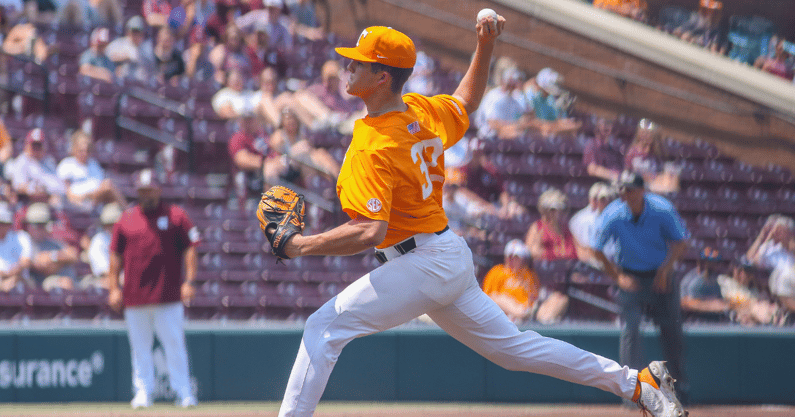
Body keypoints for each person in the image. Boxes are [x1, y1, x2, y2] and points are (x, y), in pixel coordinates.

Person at [272, 21, 685, 417]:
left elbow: (369, 230)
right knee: (515, 350)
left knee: (323, 328)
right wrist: (485, 44)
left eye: (358, 62)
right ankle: (637, 383)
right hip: (445, 252)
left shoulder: (373, 143)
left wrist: (298, 245)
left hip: (421, 262)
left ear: (382, 77)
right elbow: (467, 102)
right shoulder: (419, 109)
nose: (348, 66)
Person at [592, 171, 690, 405]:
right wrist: (618, 277)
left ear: (641, 190)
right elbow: (597, 248)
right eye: (622, 189)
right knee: (631, 332)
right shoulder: (614, 212)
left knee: (672, 333)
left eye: (630, 189)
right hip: (631, 277)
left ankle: (679, 393)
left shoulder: (661, 209)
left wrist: (665, 271)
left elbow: (681, 241)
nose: (625, 193)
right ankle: (631, 395)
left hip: (660, 276)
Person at [107, 169, 199, 409]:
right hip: (135, 297)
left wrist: (189, 281)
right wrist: (113, 288)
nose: (146, 194)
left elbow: (191, 247)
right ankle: (143, 392)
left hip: (168, 296)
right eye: (142, 190)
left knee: (174, 345)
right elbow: (115, 256)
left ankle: (184, 392)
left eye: (150, 189)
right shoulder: (126, 219)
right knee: (140, 349)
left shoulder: (176, 216)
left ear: (158, 190)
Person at [266, 107, 340, 186]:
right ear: (282, 122)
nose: (290, 121)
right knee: (306, 161)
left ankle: (338, 181)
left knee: (320, 154)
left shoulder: (301, 132)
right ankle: (317, 189)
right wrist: (296, 150)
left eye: (292, 118)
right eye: (287, 119)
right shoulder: (279, 136)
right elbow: (276, 155)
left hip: (304, 161)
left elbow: (310, 148)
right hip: (287, 165)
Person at [56, 130, 127, 211]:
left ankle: (126, 215)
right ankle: (129, 213)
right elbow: (66, 192)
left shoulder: (93, 164)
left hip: (95, 200)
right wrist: (82, 198)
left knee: (111, 196)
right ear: (74, 149)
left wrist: (91, 196)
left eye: (87, 150)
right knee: (108, 185)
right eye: (81, 150)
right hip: (76, 201)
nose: (85, 153)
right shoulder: (66, 164)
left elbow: (99, 185)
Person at [745, 214, 795, 315]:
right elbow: (750, 260)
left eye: (780, 230)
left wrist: (788, 241)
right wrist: (764, 237)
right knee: (781, 280)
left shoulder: (792, 245)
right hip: (782, 285)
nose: (777, 233)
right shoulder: (772, 250)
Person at [482, 239, 540, 323]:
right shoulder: (497, 271)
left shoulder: (529, 275)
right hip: (498, 314)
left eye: (516, 257)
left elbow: (532, 300)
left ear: (523, 259)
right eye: (509, 256)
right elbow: (488, 297)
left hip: (522, 315)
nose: (511, 260)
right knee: (498, 298)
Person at [25, 203, 79, 292]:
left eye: (43, 224)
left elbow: (73, 255)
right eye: (36, 224)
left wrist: (52, 257)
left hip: (68, 282)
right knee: (65, 283)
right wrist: (63, 260)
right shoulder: (26, 243)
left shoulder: (53, 243)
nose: (40, 228)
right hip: (42, 287)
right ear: (28, 226)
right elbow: (46, 269)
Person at [717, 258, 786, 326]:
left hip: (752, 320)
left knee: (773, 307)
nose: (746, 275)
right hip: (733, 318)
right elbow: (731, 301)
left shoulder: (753, 290)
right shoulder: (724, 281)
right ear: (735, 270)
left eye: (749, 272)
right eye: (741, 271)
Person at [7, 128, 66, 204]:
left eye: (39, 145)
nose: (36, 148)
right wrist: (40, 190)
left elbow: (60, 186)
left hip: (52, 200)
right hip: (29, 203)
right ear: (27, 145)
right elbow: (19, 187)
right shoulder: (22, 161)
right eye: (33, 144)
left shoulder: (48, 161)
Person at [624, 119, 679, 194]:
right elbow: (627, 171)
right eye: (644, 133)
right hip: (638, 186)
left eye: (649, 133)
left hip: (654, 186)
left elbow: (664, 173)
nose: (646, 136)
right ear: (639, 134)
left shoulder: (658, 153)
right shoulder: (632, 152)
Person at [523, 67, 581, 136]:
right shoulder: (533, 99)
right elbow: (540, 126)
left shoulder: (554, 99)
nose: (558, 87)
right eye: (555, 84)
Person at [569, 182, 616, 267]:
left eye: (605, 199)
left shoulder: (613, 216)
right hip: (593, 264)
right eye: (599, 199)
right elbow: (588, 249)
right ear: (591, 199)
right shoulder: (583, 218)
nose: (604, 202)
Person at [679, 247, 731, 322]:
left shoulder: (718, 279)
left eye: (716, 262)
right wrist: (710, 306)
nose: (713, 265)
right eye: (709, 262)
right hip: (695, 320)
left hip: (716, 321)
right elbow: (684, 302)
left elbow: (726, 302)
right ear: (700, 263)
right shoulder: (690, 280)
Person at [525, 188, 578, 261]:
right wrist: (555, 254)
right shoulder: (538, 227)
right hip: (546, 268)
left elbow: (578, 252)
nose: (556, 213)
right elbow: (532, 252)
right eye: (552, 210)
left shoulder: (568, 228)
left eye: (561, 209)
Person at [82, 203, 123, 289]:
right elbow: (104, 271)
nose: (113, 227)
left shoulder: (127, 237)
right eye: (109, 224)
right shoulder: (99, 240)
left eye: (115, 223)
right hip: (103, 280)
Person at [105, 15, 155, 81]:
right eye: (133, 32)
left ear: (142, 34)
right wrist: (123, 58)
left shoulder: (146, 48)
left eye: (138, 32)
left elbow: (152, 67)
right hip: (122, 83)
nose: (135, 35)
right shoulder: (119, 43)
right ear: (128, 32)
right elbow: (106, 57)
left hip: (141, 85)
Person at [0, 201, 32, 293]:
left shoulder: (22, 237)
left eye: (3, 223)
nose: (1, 226)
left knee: (15, 283)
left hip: (19, 279)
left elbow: (26, 262)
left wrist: (10, 273)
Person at [583, 117, 623, 182]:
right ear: (597, 127)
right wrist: (614, 176)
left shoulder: (614, 147)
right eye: (604, 124)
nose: (606, 127)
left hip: (615, 183)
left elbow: (620, 169)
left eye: (609, 124)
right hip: (600, 184)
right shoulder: (591, 145)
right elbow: (592, 170)